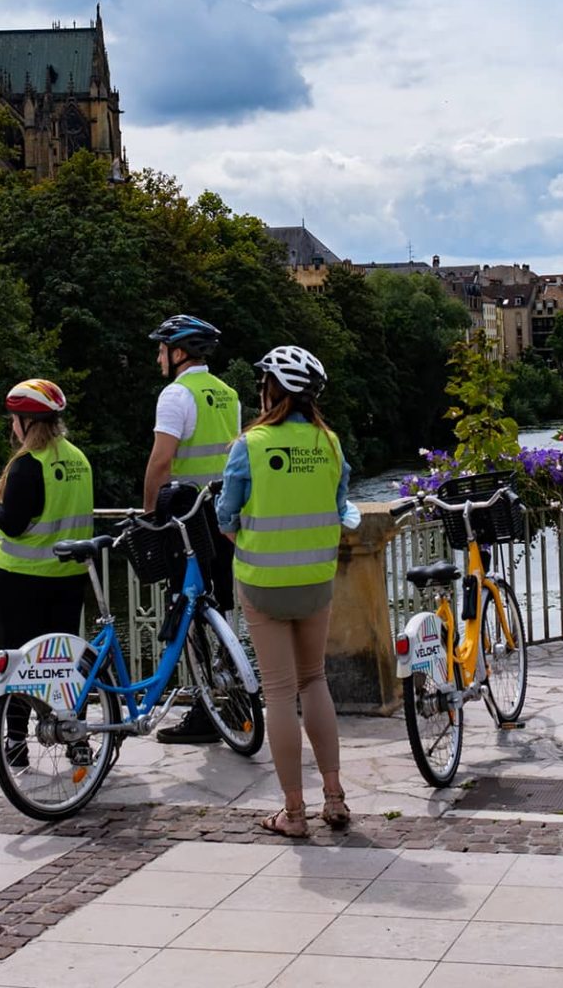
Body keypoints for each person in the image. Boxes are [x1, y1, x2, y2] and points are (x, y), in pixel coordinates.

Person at [216, 344, 360, 838]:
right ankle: (335, 797)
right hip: (315, 580)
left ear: (270, 390)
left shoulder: (250, 444)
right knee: (314, 680)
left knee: (279, 693)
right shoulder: (330, 444)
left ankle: (294, 813)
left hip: (263, 583)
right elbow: (340, 508)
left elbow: (226, 516)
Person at [0, 378, 94, 768]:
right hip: (69, 578)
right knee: (64, 661)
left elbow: (12, 524)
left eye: (14, 420)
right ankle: (77, 738)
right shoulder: (78, 459)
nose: (12, 426)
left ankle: (16, 741)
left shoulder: (28, 465)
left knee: (19, 661)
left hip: (22, 579)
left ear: (26, 422)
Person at [144, 314, 240, 745]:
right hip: (223, 517)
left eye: (162, 349)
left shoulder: (176, 394)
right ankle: (234, 704)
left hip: (186, 521)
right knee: (222, 610)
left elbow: (161, 462)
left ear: (179, 352)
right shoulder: (228, 394)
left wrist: (151, 516)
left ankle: (204, 711)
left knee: (189, 612)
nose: (158, 357)